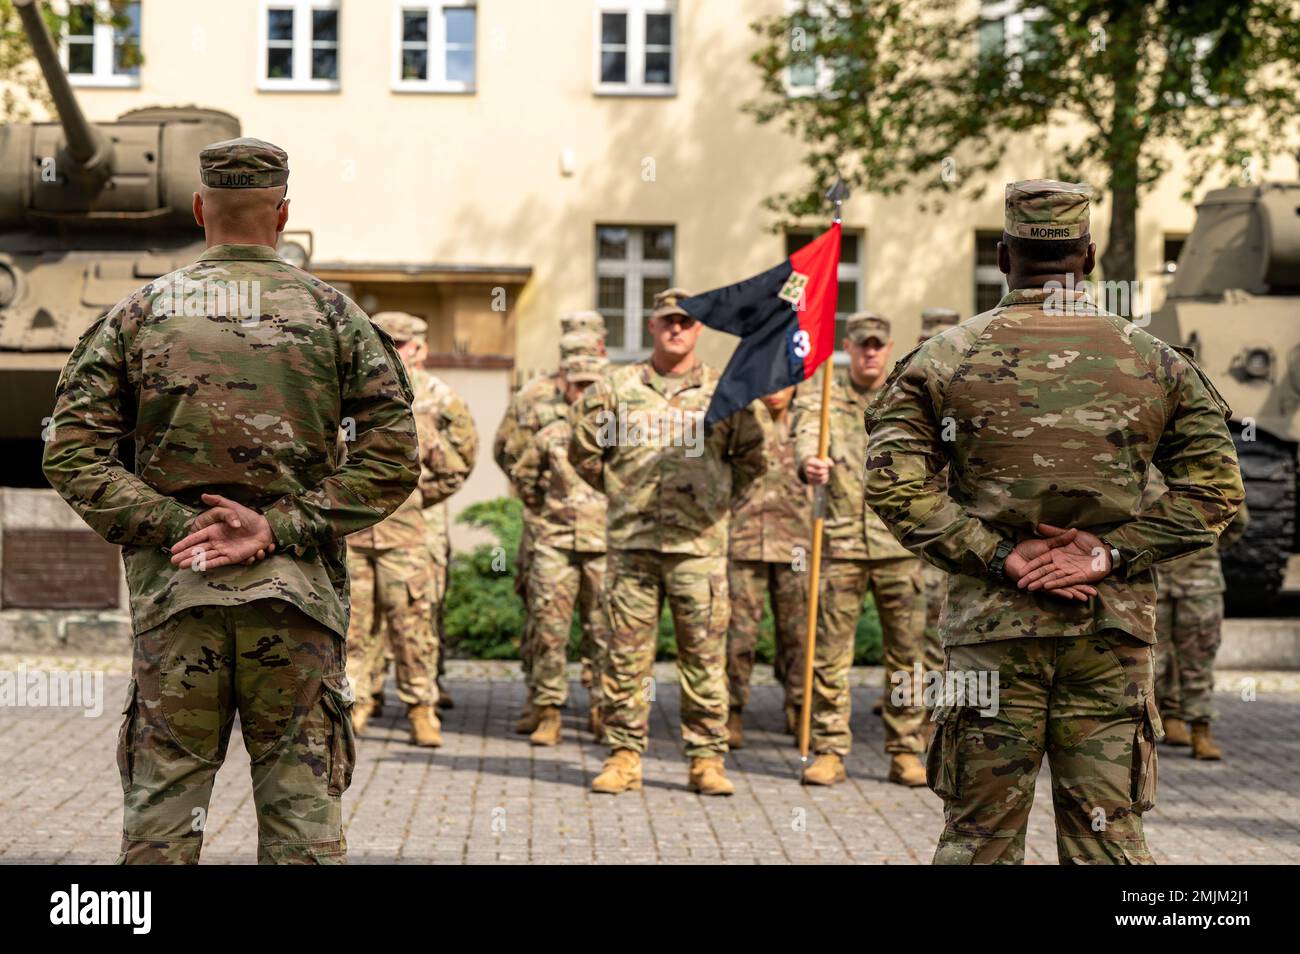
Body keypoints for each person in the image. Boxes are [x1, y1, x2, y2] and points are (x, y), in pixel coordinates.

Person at [42, 137, 419, 864]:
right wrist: (276, 527)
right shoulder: (336, 317)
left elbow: (72, 451)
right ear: (282, 215)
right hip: (298, 604)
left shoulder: (138, 314)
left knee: (163, 815)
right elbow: (393, 459)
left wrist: (183, 527)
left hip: (177, 599)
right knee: (301, 820)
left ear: (198, 209)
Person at [864, 179, 1243, 864]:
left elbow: (895, 487)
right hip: (1108, 633)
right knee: (1110, 843)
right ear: (1090, 256)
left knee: (978, 842)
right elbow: (1215, 491)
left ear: (1004, 256)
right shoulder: (1156, 362)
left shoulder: (944, 359)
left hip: (991, 636)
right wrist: (1107, 554)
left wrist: (999, 557)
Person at [571, 288, 764, 796]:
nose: (676, 329)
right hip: (632, 544)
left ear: (699, 329)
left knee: (703, 657)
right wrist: (623, 492)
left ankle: (706, 760)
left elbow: (751, 459)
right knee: (626, 657)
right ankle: (624, 755)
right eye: (667, 322)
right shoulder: (614, 389)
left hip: (698, 549)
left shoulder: (728, 391)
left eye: (686, 322)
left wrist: (712, 501)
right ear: (652, 327)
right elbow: (586, 453)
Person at [794, 312, 929, 787]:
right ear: (847, 347)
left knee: (908, 656)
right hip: (841, 546)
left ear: (889, 349)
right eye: (861, 344)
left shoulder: (907, 396)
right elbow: (805, 435)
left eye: (877, 345)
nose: (870, 352)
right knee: (830, 653)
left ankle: (906, 748)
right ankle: (830, 748)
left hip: (899, 545)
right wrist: (808, 462)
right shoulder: (823, 394)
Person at [346, 312, 475, 746]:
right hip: (355, 539)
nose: (392, 352)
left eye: (400, 344)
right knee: (353, 629)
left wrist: (415, 498)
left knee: (413, 627)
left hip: (406, 538)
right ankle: (357, 704)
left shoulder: (425, 406)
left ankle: (422, 708)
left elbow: (454, 468)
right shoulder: (346, 396)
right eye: (385, 343)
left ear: (418, 348)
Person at [495, 318, 606, 734]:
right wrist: (541, 509)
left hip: (605, 541)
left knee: (605, 629)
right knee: (547, 627)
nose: (584, 391)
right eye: (576, 381)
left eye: (591, 381)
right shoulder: (543, 413)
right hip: (553, 538)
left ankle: (602, 709)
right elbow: (516, 464)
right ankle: (547, 710)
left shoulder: (619, 422)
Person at [725, 385, 810, 745]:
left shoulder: (811, 419)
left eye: (784, 381)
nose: (775, 390)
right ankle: (731, 711)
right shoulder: (740, 417)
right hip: (745, 542)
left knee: (799, 635)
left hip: (797, 545)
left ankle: (800, 706)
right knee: (737, 636)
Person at [1147, 470, 1249, 760]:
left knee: (1198, 657)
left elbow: (1236, 519)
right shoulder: (1140, 465)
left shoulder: (1209, 469)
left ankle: (1201, 730)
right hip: (1155, 582)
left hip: (1200, 581)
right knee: (1153, 658)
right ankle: (1169, 719)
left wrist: (1205, 548)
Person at [914, 308, 961, 733]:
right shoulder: (913, 399)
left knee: (950, 629)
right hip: (923, 535)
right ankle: (925, 722)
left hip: (966, 535)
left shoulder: (973, 393)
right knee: (922, 634)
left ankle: (947, 715)